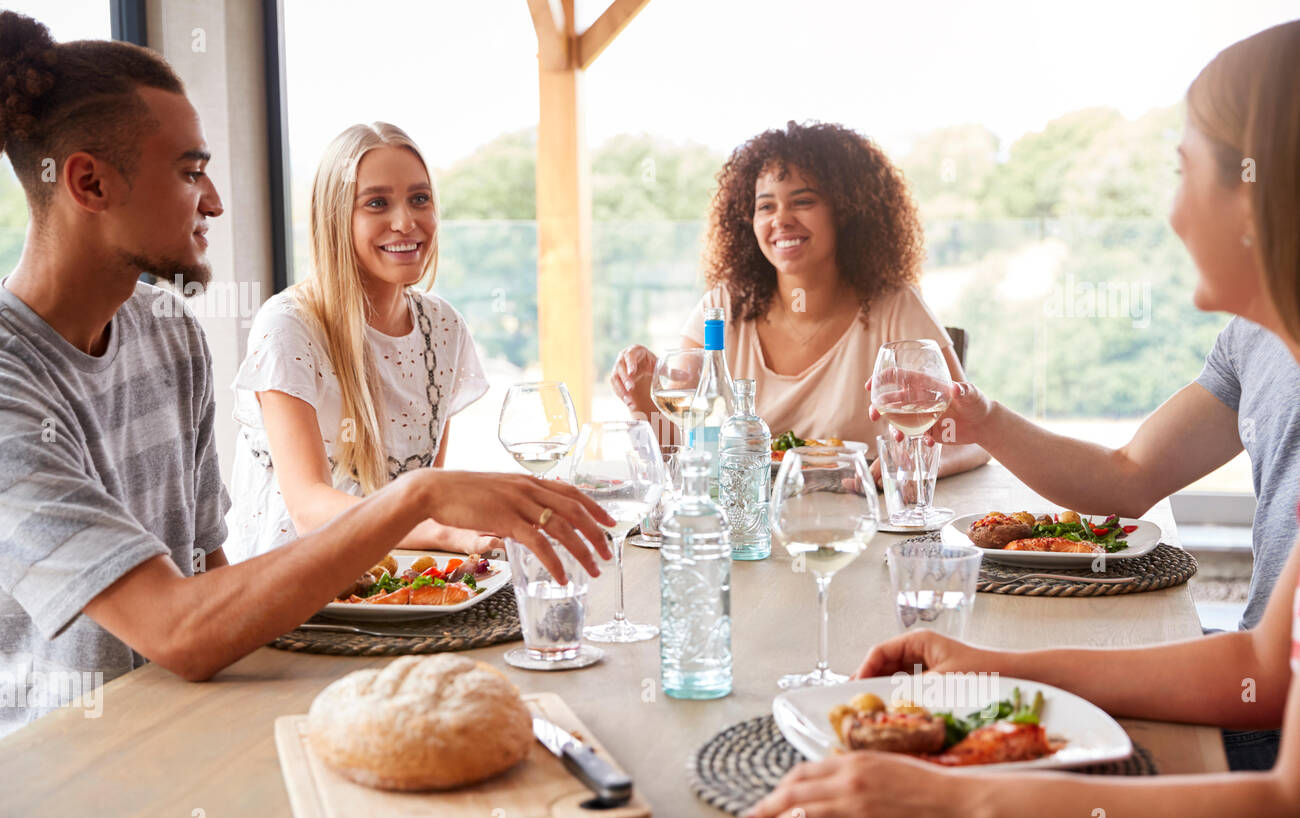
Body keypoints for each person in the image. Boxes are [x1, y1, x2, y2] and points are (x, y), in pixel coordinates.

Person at [747, 20, 1300, 818]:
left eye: (1185, 171)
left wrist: (968, 810)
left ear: (1267, 195)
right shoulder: (1261, 341)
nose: (1172, 211)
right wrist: (993, 666)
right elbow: (1141, 493)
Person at [0, 13, 611, 738]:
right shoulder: (12, 383)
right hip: (62, 765)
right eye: (191, 171)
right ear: (89, 182)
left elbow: (212, 577)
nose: (216, 200)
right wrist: (422, 499)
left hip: (190, 719)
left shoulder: (170, 338)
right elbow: (180, 628)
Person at [610, 120, 989, 478]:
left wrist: (904, 467)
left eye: (803, 201)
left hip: (858, 519)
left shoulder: (895, 305)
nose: (782, 219)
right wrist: (642, 395)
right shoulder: (723, 308)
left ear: (846, 211)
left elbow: (974, 438)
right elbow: (684, 452)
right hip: (749, 529)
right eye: (766, 206)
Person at [227, 122, 497, 562]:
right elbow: (309, 509)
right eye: (377, 203)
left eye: (420, 199)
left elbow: (426, 493)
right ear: (336, 218)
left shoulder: (443, 327)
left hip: (392, 581)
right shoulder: (289, 326)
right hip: (290, 597)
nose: (405, 221)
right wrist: (447, 534)